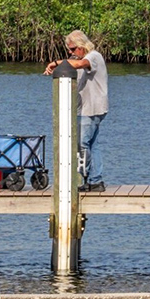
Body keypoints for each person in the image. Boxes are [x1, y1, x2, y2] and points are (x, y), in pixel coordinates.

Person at [44, 30, 108, 192]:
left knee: (82, 144)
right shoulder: (78, 58)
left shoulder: (93, 56)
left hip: (91, 108)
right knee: (92, 144)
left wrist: (56, 63)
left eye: (73, 49)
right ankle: (96, 180)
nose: (70, 53)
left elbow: (80, 65)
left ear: (82, 46)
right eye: (69, 50)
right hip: (85, 109)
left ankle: (83, 179)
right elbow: (73, 65)